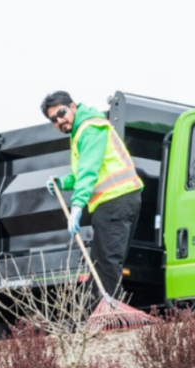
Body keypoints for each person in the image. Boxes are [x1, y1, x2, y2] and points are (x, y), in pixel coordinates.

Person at [42, 91, 143, 300]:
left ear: (73, 106)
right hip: (116, 201)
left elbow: (89, 171)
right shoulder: (82, 131)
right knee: (102, 262)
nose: (60, 120)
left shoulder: (89, 128)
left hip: (116, 200)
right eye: (54, 119)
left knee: (106, 262)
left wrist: (77, 206)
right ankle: (100, 312)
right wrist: (63, 183)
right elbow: (82, 172)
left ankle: (109, 313)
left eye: (62, 113)